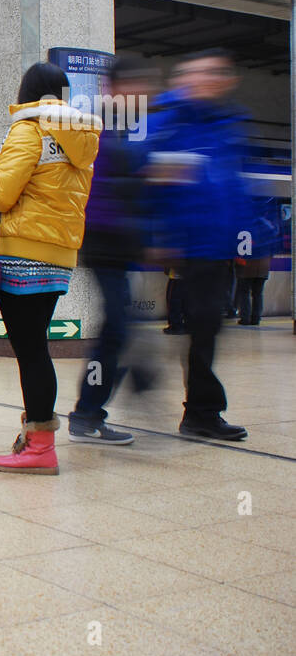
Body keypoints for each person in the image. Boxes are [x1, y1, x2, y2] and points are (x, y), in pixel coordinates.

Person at [0, 62, 100, 475]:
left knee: (29, 352)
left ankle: (40, 447)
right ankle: (35, 437)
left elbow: (0, 197)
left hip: (22, 254)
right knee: (36, 348)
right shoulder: (82, 139)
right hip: (58, 258)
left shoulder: (27, 131)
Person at [144, 49, 250, 440]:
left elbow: (234, 187)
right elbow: (157, 182)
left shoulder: (225, 123)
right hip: (192, 246)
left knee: (208, 329)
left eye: (219, 74)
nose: (212, 80)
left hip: (218, 246)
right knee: (203, 329)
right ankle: (201, 413)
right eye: (203, 74)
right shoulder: (172, 121)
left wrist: (244, 237)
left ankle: (200, 411)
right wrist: (162, 237)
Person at [68, 58, 160, 445]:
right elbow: (101, 191)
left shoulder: (122, 130)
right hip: (104, 244)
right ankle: (87, 413)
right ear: (114, 87)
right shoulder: (95, 128)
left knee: (118, 328)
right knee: (117, 329)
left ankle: (89, 411)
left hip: (118, 246)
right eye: (137, 84)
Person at [235, 254, 269, 325]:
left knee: (244, 293)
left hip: (246, 268)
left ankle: (245, 318)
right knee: (258, 294)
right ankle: (256, 318)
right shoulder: (265, 242)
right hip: (262, 268)